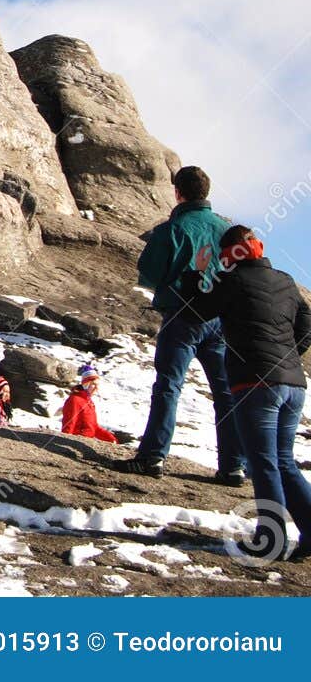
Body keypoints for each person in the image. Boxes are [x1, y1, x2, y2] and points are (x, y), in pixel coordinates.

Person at [114, 166, 248, 482]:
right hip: (220, 321)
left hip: (182, 315)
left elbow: (148, 272)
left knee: (168, 386)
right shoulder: (226, 229)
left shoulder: (171, 229)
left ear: (178, 193)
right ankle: (233, 466)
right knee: (226, 392)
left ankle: (152, 457)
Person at [192, 226, 311, 562]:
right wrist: (290, 355)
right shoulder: (286, 280)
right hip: (294, 385)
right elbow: (307, 321)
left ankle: (270, 540)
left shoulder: (232, 283)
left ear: (230, 255)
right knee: (284, 462)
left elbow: (197, 310)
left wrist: (200, 272)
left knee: (263, 464)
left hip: (255, 385)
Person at [61, 363, 118, 443]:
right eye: (93, 384)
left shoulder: (89, 402)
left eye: (97, 385)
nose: (96, 387)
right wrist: (64, 441)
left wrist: (111, 439)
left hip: (86, 441)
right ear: (86, 385)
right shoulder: (75, 400)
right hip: (76, 441)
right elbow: (69, 424)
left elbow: (93, 427)